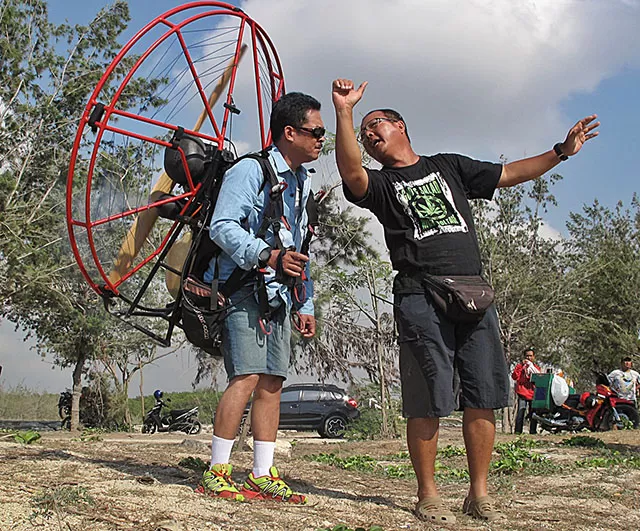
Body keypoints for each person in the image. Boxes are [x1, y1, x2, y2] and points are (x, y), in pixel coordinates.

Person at [331, 77, 599, 524]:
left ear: (401, 126)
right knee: (427, 396)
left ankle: (479, 494)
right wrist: (344, 112)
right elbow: (351, 174)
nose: (370, 135)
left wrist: (561, 151)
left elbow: (510, 173)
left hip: (473, 290)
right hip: (419, 292)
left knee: (484, 392)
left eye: (376, 125)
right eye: (364, 134)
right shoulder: (378, 184)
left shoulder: (448, 166)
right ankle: (428, 494)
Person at [200, 92, 323, 504]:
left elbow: (300, 244)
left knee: (272, 382)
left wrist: (305, 303)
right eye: (316, 131)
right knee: (247, 376)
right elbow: (222, 226)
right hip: (245, 288)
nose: (322, 139)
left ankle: (260, 473)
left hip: (281, 296)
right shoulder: (250, 171)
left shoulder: (301, 183)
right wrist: (266, 255)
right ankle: (216, 469)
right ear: (290, 133)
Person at [511, 348, 541, 434]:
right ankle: (518, 431)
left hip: (533, 393)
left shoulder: (536, 368)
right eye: (527, 356)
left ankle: (532, 430)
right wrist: (521, 368)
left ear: (534, 357)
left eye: (530, 356)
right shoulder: (520, 367)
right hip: (522, 393)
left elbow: (539, 378)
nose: (528, 358)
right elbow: (514, 377)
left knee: (533, 413)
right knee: (521, 412)